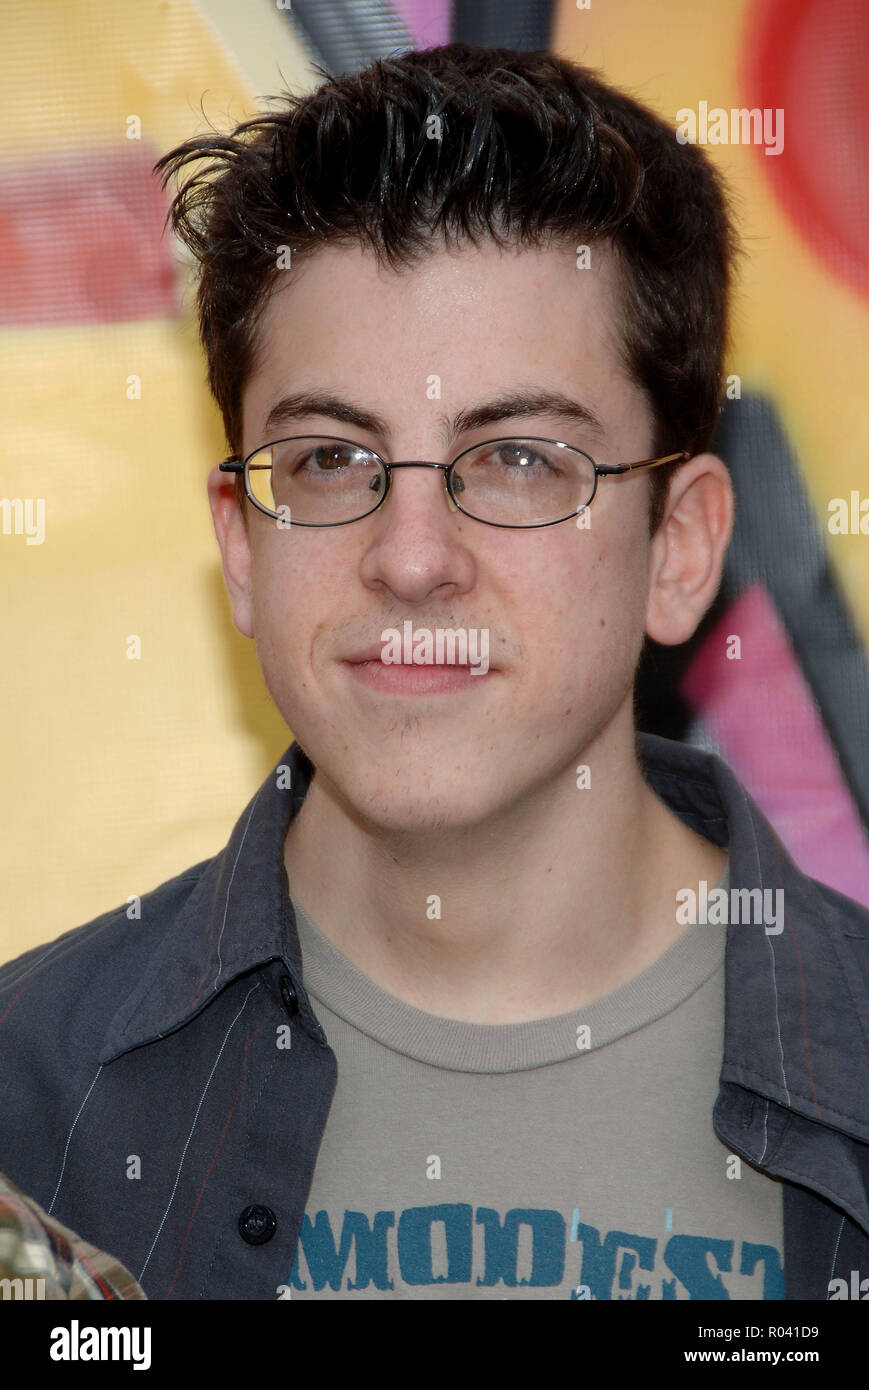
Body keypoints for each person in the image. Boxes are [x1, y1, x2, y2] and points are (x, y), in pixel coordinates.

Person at [0, 43, 866, 1301]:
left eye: (519, 458)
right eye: (329, 461)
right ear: (242, 544)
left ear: (676, 547)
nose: (410, 560)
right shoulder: (27, 1094)